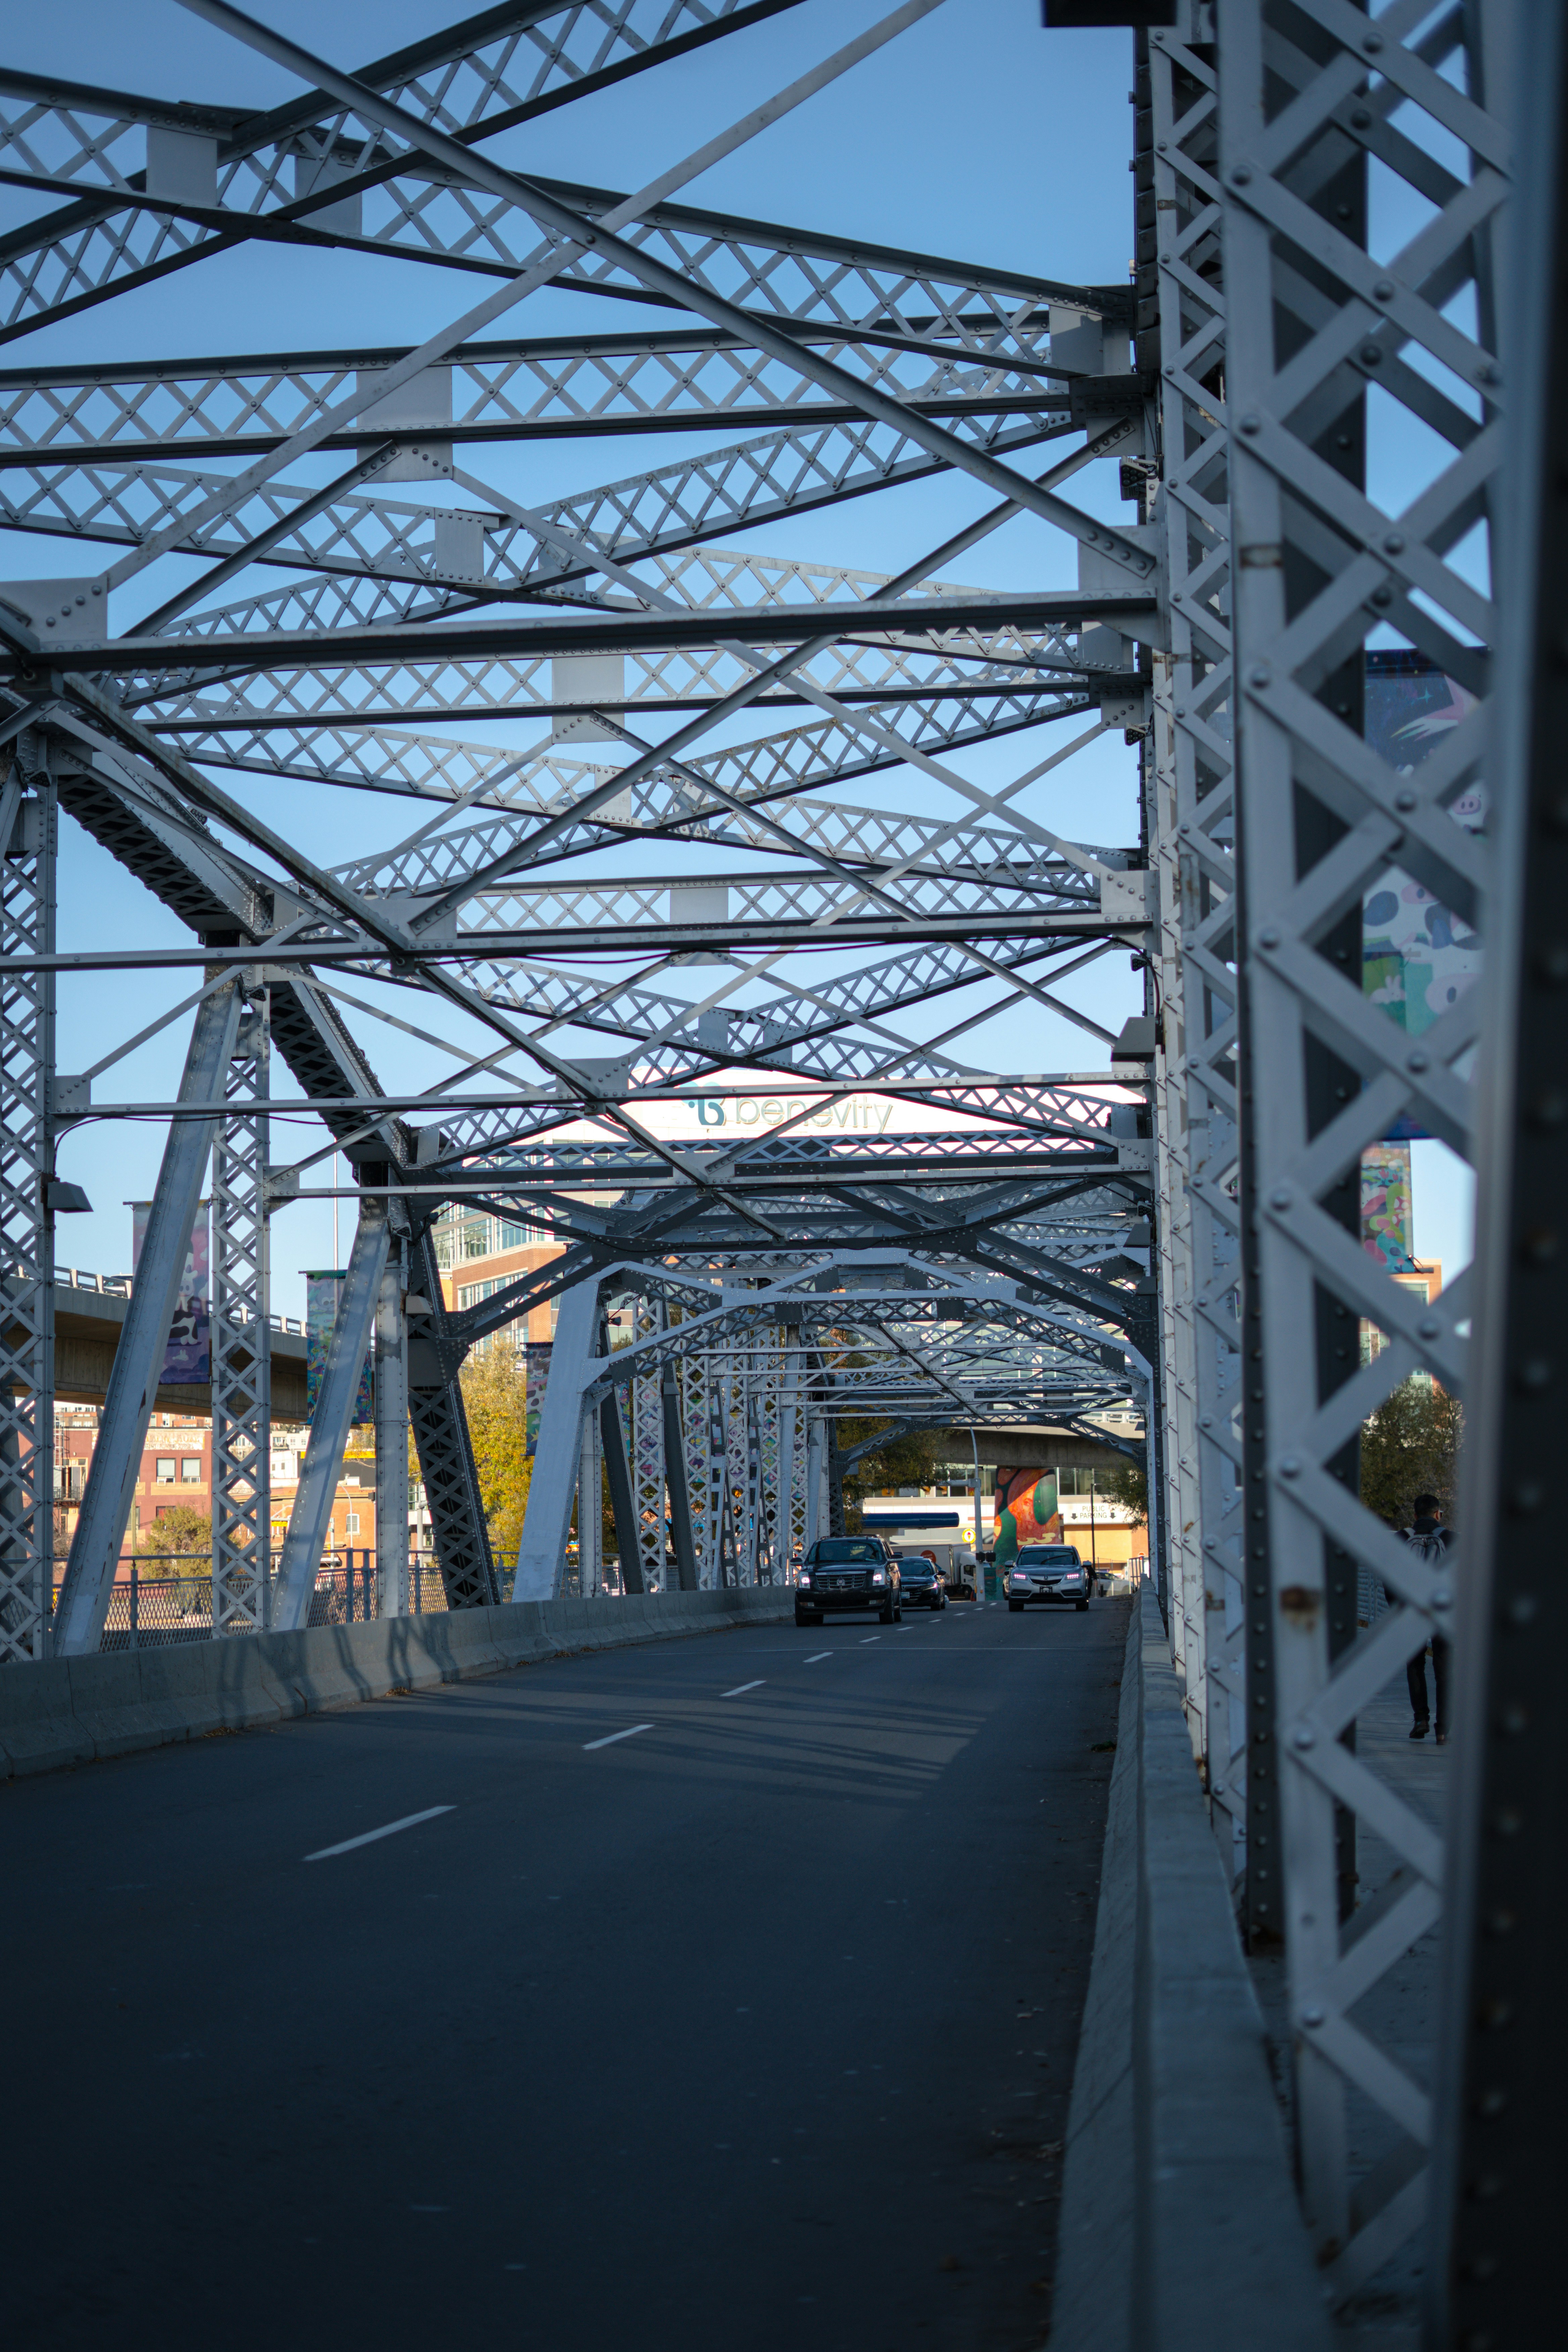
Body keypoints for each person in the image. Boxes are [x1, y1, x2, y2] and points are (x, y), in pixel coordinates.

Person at [1404, 1492, 1452, 1744]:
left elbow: (1389, 1580)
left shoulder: (1403, 1538)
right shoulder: (1452, 1539)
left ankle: (1420, 1719)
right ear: (1438, 1515)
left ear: (1414, 1516)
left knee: (1415, 1665)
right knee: (1444, 1669)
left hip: (1412, 1613)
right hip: (1444, 1613)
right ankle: (1443, 1729)